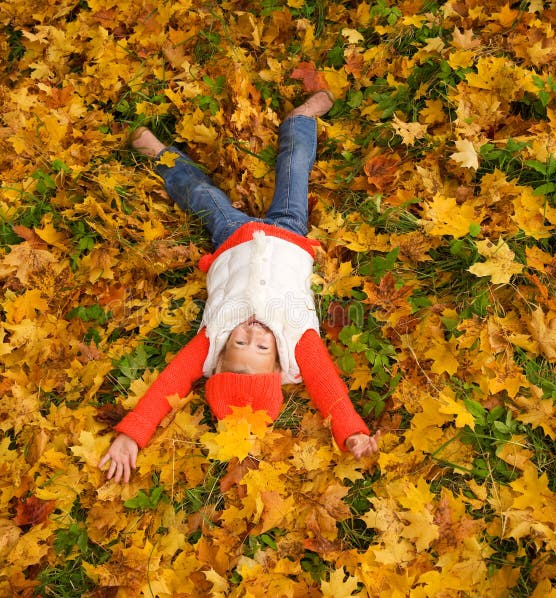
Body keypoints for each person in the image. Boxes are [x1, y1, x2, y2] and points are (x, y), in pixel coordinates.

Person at [100, 90, 379, 484]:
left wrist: (133, 434)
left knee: (200, 195)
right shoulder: (298, 344)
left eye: (239, 344)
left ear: (220, 355)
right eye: (261, 347)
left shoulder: (211, 341)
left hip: (232, 239)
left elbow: (170, 383)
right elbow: (327, 387)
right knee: (295, 169)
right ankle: (300, 120)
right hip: (289, 234)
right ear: (279, 364)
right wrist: (351, 432)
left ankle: (160, 154)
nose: (250, 334)